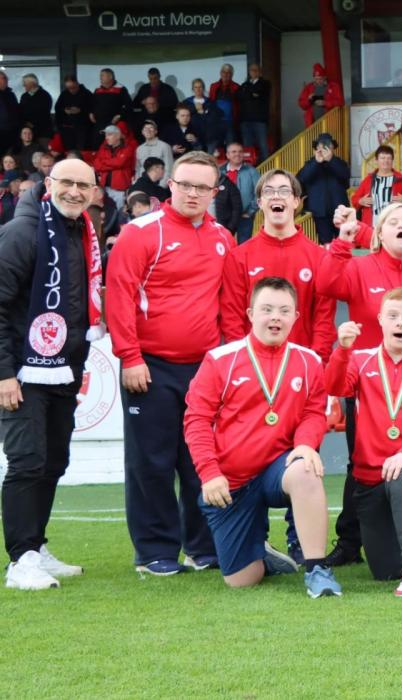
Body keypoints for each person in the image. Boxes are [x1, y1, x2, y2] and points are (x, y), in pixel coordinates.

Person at [106, 151, 235, 575]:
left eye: (203, 187)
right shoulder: (141, 233)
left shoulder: (223, 237)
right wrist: (130, 356)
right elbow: (120, 295)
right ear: (170, 186)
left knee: (200, 461)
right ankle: (155, 551)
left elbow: (227, 304)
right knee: (151, 462)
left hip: (203, 369)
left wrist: (231, 361)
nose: (194, 193)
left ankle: (202, 548)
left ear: (215, 192)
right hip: (150, 366)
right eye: (186, 185)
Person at [183, 276, 341, 597]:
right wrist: (210, 474)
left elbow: (313, 412)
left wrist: (305, 445)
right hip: (231, 482)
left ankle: (317, 570)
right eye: (266, 309)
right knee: (242, 579)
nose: (275, 318)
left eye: (284, 311)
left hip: (277, 471)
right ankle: (261, 553)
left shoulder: (309, 361)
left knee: (306, 468)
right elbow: (196, 420)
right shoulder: (220, 360)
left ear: (296, 317)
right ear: (250, 313)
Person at [0, 159, 104, 590]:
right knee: (27, 462)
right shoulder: (22, 232)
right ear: (49, 183)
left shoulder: (81, 232)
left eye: (85, 185)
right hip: (20, 373)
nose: (75, 191)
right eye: (67, 183)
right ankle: (20, 560)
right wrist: (4, 374)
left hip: (62, 371)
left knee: (54, 461)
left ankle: (36, 546)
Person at [326, 290, 402, 595]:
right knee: (384, 571)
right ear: (380, 320)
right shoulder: (359, 360)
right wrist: (341, 349)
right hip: (369, 477)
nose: (400, 323)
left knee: (400, 477)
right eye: (393, 316)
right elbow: (334, 385)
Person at [220, 168, 336, 369]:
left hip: (303, 366)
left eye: (284, 191)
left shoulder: (320, 257)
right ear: (259, 203)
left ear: (296, 201)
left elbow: (323, 318)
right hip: (253, 365)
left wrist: (317, 361)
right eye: (268, 191)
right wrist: (242, 361)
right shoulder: (239, 256)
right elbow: (232, 317)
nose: (276, 195)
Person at [296, 132, 350, 244]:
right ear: (316, 148)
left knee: (343, 242)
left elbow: (345, 175)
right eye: (321, 146)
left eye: (327, 146)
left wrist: (331, 161)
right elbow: (301, 178)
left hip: (340, 211)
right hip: (320, 211)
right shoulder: (310, 163)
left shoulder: (339, 163)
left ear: (332, 148)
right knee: (325, 243)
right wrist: (316, 162)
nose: (324, 149)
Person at [352, 144, 402, 229]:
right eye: (382, 158)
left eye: (389, 158)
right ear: (376, 160)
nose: (386, 161)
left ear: (392, 160)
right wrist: (360, 201)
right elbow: (354, 199)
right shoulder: (368, 179)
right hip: (372, 225)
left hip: (395, 224)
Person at [222, 142, 260, 244]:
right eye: (234, 152)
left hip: (244, 216)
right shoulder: (219, 172)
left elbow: (260, 192)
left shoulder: (252, 171)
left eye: (240, 152)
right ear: (227, 155)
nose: (237, 154)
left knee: (244, 246)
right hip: (224, 217)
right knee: (224, 245)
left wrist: (250, 211)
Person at [93, 125, 136, 211]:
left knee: (119, 212)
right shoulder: (103, 148)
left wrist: (104, 163)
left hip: (119, 189)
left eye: (109, 135)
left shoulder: (128, 148)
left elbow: (119, 163)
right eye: (105, 135)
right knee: (104, 212)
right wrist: (113, 163)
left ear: (118, 136)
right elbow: (97, 165)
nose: (106, 138)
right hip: (104, 187)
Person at [238, 64, 272, 161]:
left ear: (260, 72)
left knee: (263, 145)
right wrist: (252, 94)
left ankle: (267, 170)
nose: (253, 72)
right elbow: (239, 95)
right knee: (248, 148)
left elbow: (259, 91)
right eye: (251, 70)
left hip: (260, 120)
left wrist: (248, 94)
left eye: (256, 70)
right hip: (245, 121)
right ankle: (250, 169)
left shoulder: (265, 83)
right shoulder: (244, 85)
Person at [90, 69, 133, 143]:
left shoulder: (121, 89)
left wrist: (120, 116)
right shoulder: (97, 90)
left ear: (110, 77)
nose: (100, 77)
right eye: (100, 75)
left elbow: (128, 105)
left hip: (113, 123)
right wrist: (91, 113)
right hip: (99, 123)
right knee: (97, 144)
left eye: (102, 75)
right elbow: (92, 104)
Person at [55, 76, 93, 151]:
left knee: (81, 151)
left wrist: (80, 110)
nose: (71, 90)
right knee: (69, 152)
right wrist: (65, 110)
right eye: (68, 88)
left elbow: (92, 108)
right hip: (67, 129)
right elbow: (57, 108)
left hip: (83, 129)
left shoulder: (87, 93)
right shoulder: (64, 94)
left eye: (73, 87)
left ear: (77, 83)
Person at [208, 64, 239, 147]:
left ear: (232, 74)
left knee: (231, 145)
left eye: (228, 72)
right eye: (223, 72)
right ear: (220, 73)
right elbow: (210, 103)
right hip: (217, 123)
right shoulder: (213, 86)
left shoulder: (236, 87)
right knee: (217, 146)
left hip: (230, 122)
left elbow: (238, 106)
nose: (225, 74)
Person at [18, 74, 53, 142]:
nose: (23, 85)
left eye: (25, 83)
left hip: (42, 132)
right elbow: (21, 110)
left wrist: (32, 124)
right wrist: (24, 122)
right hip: (28, 131)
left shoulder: (44, 96)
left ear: (32, 83)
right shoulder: (24, 96)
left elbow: (44, 113)